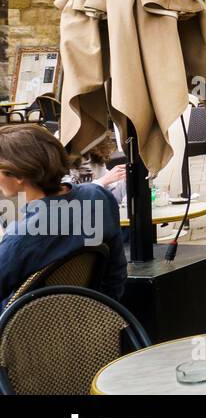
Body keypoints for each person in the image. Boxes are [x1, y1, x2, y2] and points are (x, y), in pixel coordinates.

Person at [0, 124, 128, 307]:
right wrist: (98, 317)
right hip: (92, 320)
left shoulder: (21, 237)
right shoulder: (98, 197)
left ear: (18, 174)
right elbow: (116, 273)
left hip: (24, 331)